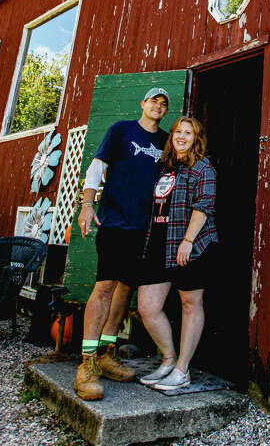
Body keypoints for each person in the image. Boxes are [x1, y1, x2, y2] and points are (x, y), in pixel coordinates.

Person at [74, 87, 170, 400]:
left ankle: (106, 353)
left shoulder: (166, 141)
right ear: (143, 104)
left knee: (125, 290)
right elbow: (97, 167)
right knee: (104, 287)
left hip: (145, 230)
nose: (157, 105)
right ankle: (86, 364)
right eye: (153, 100)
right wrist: (87, 204)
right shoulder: (121, 130)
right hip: (115, 222)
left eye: (163, 103)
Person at [135, 116, 218, 391]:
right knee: (147, 307)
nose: (182, 137)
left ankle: (182, 370)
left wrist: (188, 240)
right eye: (178, 132)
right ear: (172, 136)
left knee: (190, 305)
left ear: (196, 138)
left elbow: (204, 206)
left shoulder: (203, 167)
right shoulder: (165, 167)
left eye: (188, 133)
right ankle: (168, 359)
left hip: (190, 245)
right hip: (159, 243)